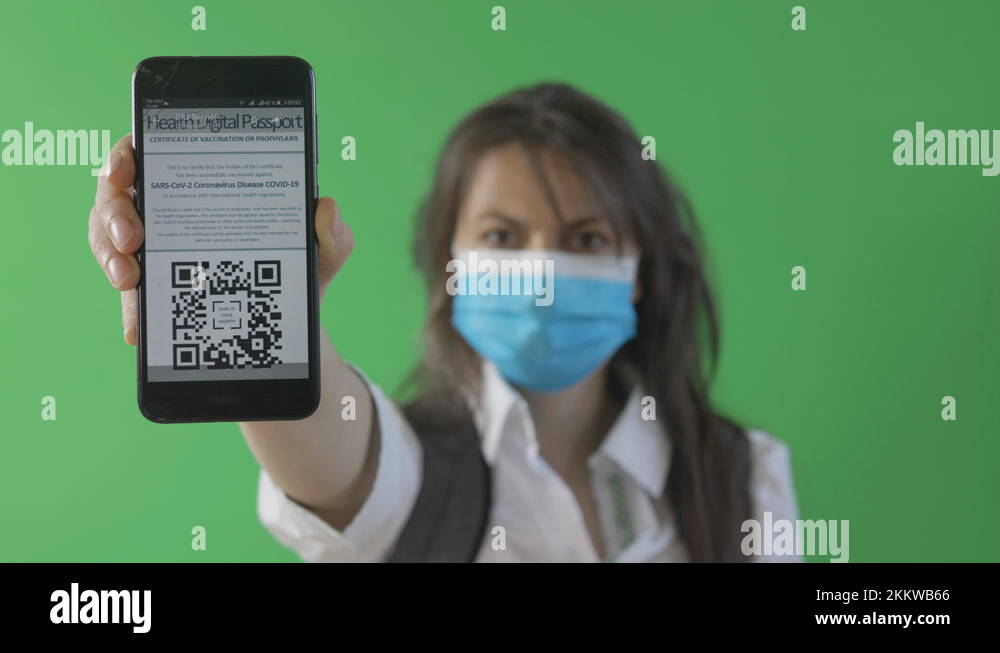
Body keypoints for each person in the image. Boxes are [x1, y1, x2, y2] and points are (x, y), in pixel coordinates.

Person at [88, 82, 798, 562]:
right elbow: (328, 451)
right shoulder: (414, 469)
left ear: (639, 271)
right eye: (501, 236)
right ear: (448, 262)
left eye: (585, 239)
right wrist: (263, 304)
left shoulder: (744, 474)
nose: (540, 269)